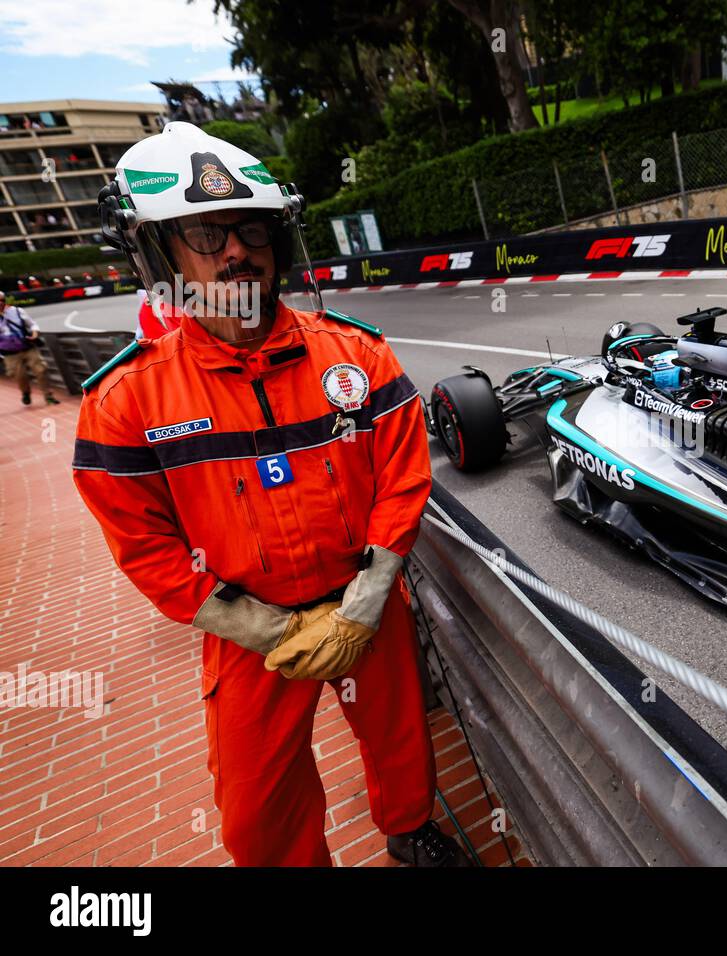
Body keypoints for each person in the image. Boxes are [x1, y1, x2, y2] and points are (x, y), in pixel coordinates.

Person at [73, 121, 467, 867]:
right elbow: (146, 549)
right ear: (157, 256)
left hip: (367, 607)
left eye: (250, 228)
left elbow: (404, 478)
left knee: (398, 739)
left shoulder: (358, 354)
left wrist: (364, 604)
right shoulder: (125, 402)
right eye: (204, 233)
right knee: (256, 814)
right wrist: (272, 633)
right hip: (249, 637)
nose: (235, 250)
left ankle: (409, 828)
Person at [0, 289, 60, 406]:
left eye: (2, 300)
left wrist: (34, 334)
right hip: (10, 353)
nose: (0, 303)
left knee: (41, 370)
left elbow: (32, 324)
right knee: (19, 376)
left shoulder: (16, 311)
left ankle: (49, 396)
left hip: (27, 346)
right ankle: (25, 392)